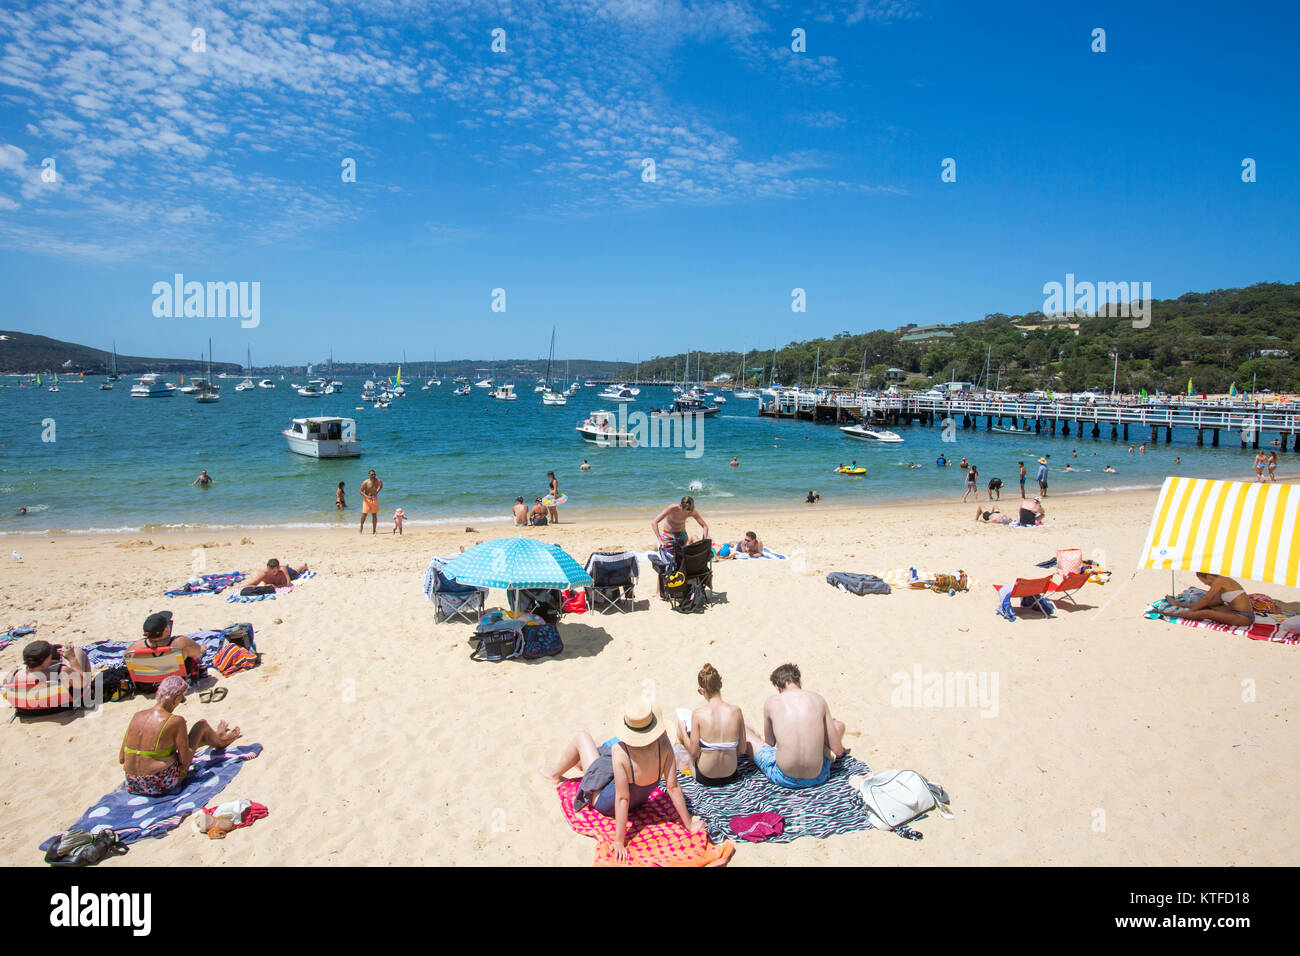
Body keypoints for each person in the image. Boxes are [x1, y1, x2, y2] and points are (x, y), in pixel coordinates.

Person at [540, 698, 702, 862]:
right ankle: (581, 763)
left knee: (582, 738)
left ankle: (555, 773)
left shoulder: (620, 751)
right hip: (639, 801)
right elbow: (673, 787)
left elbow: (622, 798)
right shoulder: (664, 743)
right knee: (597, 750)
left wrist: (619, 841)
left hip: (604, 802)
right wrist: (688, 824)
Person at [120, 675, 241, 796]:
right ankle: (221, 741)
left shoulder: (137, 715)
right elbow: (185, 760)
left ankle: (213, 737)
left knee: (172, 747)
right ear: (176, 699)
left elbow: (122, 758)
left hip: (132, 783)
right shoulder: (175, 721)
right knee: (201, 725)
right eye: (182, 699)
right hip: (159, 784)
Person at [744, 663, 845, 789]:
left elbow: (769, 743)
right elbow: (838, 751)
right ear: (800, 681)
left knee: (747, 732)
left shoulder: (771, 703)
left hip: (784, 778)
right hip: (819, 776)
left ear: (777, 687)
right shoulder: (818, 699)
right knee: (839, 725)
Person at [675, 664, 750, 786]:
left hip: (706, 777)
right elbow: (742, 749)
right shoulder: (736, 711)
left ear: (702, 690)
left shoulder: (698, 714)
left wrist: (683, 733)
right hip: (731, 774)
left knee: (682, 731)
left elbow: (694, 753)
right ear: (720, 685)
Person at [129, 611, 205, 679]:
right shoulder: (181, 643)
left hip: (149, 686)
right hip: (175, 683)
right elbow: (198, 652)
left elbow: (125, 661)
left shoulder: (134, 648)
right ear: (166, 629)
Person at [1166, 572, 1256, 627]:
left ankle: (1168, 613)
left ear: (1209, 577)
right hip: (1234, 611)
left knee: (1206, 612)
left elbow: (1206, 600)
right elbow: (1217, 602)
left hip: (1244, 617)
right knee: (1210, 606)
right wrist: (1184, 605)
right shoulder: (1222, 581)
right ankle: (1178, 604)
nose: (1206, 584)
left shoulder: (1219, 581)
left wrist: (1192, 611)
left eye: (1204, 582)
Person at [7, 639, 91, 695]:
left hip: (28, 711)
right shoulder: (62, 671)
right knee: (78, 652)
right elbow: (83, 684)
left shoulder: (13, 675)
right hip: (59, 708)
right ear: (48, 658)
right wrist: (72, 659)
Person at [651, 496, 709, 562]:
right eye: (686, 510)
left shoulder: (692, 511)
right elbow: (654, 522)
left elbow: (705, 526)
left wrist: (704, 541)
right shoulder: (672, 508)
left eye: (689, 510)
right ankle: (657, 545)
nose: (687, 513)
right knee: (668, 557)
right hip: (668, 535)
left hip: (682, 536)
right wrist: (660, 539)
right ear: (681, 505)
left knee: (681, 558)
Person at [359, 470, 382, 534]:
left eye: (374, 474)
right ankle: (361, 526)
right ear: (369, 475)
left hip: (374, 498)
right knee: (364, 514)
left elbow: (381, 485)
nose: (373, 476)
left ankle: (374, 530)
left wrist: (377, 491)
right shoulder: (365, 482)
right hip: (367, 499)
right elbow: (360, 491)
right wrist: (366, 496)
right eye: (372, 474)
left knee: (374, 514)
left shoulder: (378, 481)